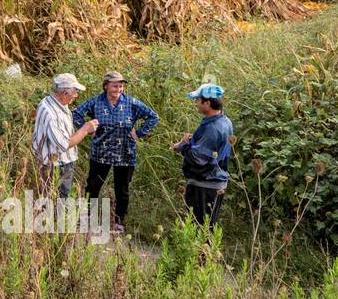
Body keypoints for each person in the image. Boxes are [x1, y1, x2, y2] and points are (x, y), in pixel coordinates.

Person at [73, 71, 160, 234]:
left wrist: (139, 133)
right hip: (100, 152)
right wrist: (87, 129)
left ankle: (119, 220)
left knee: (122, 188)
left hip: (125, 152)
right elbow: (76, 114)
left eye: (121, 85)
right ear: (106, 86)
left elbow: (153, 117)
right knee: (93, 186)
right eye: (114, 85)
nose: (118, 88)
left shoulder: (131, 103)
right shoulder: (96, 102)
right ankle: (85, 218)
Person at [171, 83, 233, 226]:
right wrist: (195, 140)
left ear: (207, 103)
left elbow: (197, 158)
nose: (196, 103)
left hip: (205, 185)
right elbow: (210, 148)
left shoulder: (212, 128)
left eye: (198, 100)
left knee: (199, 228)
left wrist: (182, 145)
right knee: (207, 226)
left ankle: (200, 249)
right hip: (214, 184)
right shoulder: (224, 121)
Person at [32, 73, 99, 200]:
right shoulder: (50, 112)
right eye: (75, 91)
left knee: (57, 199)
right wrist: (85, 130)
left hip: (61, 162)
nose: (76, 95)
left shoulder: (54, 102)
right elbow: (63, 144)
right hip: (55, 165)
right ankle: (54, 220)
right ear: (64, 93)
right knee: (56, 200)